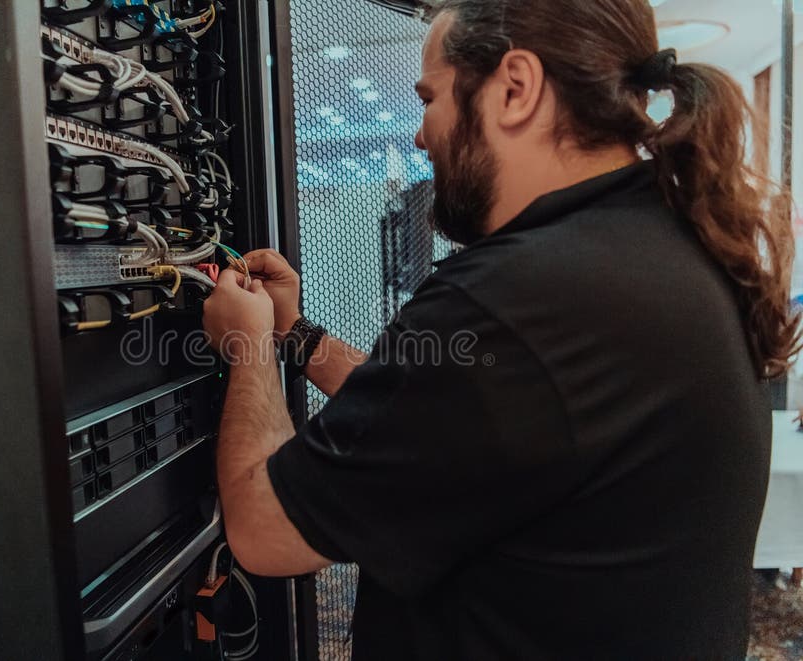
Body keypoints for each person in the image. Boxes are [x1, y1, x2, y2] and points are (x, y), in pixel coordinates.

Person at [200, 0, 800, 658]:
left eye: (430, 98)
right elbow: (438, 425)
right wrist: (295, 334)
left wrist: (247, 344)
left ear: (515, 88)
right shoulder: (653, 248)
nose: (421, 135)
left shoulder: (518, 297)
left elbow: (263, 530)